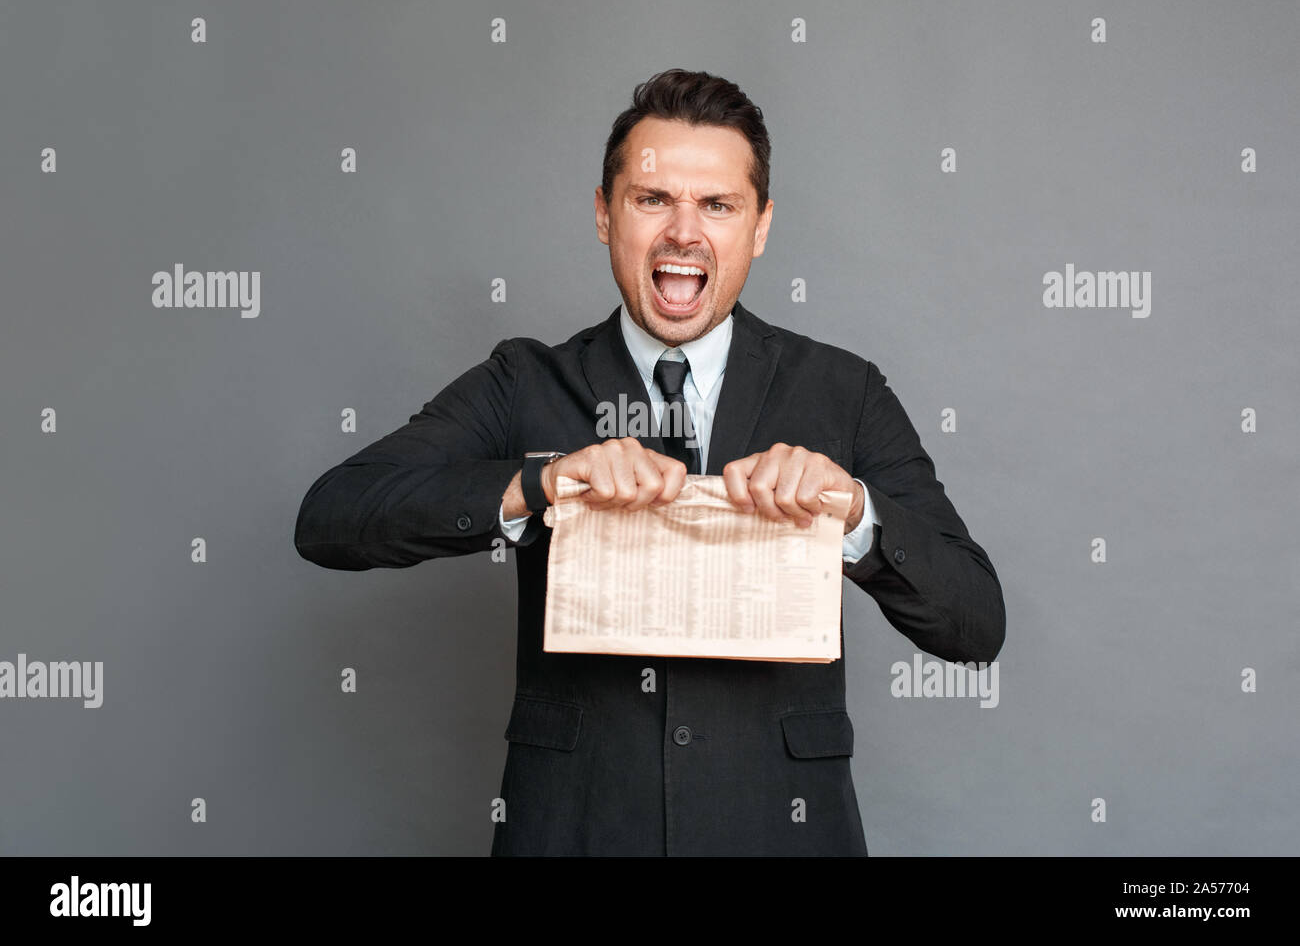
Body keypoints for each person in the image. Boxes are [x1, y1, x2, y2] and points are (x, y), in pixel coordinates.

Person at [294, 68, 1006, 856]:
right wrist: (539, 482)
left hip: (780, 830)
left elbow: (976, 623)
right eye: (652, 199)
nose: (683, 232)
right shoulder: (523, 380)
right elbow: (332, 517)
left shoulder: (845, 392)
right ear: (605, 215)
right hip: (575, 829)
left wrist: (857, 516)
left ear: (760, 227)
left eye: (718, 205)